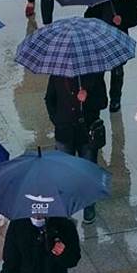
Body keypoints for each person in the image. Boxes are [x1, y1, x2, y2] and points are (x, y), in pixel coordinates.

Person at [44, 74, 107, 224]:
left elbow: (103, 101)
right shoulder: (57, 75)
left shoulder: (94, 75)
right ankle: (65, 209)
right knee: (64, 173)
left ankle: (89, 205)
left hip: (86, 133)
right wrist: (57, 119)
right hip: (64, 132)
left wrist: (88, 99)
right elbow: (49, 99)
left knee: (88, 170)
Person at [84, 0, 137, 112]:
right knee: (98, 73)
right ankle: (101, 98)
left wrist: (122, 20)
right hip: (99, 39)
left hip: (117, 40)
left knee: (117, 72)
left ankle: (115, 99)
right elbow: (87, 17)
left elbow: (134, 19)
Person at [0, 217, 81, 273]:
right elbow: (10, 264)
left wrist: (62, 253)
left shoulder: (65, 225)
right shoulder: (17, 225)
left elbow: (73, 259)